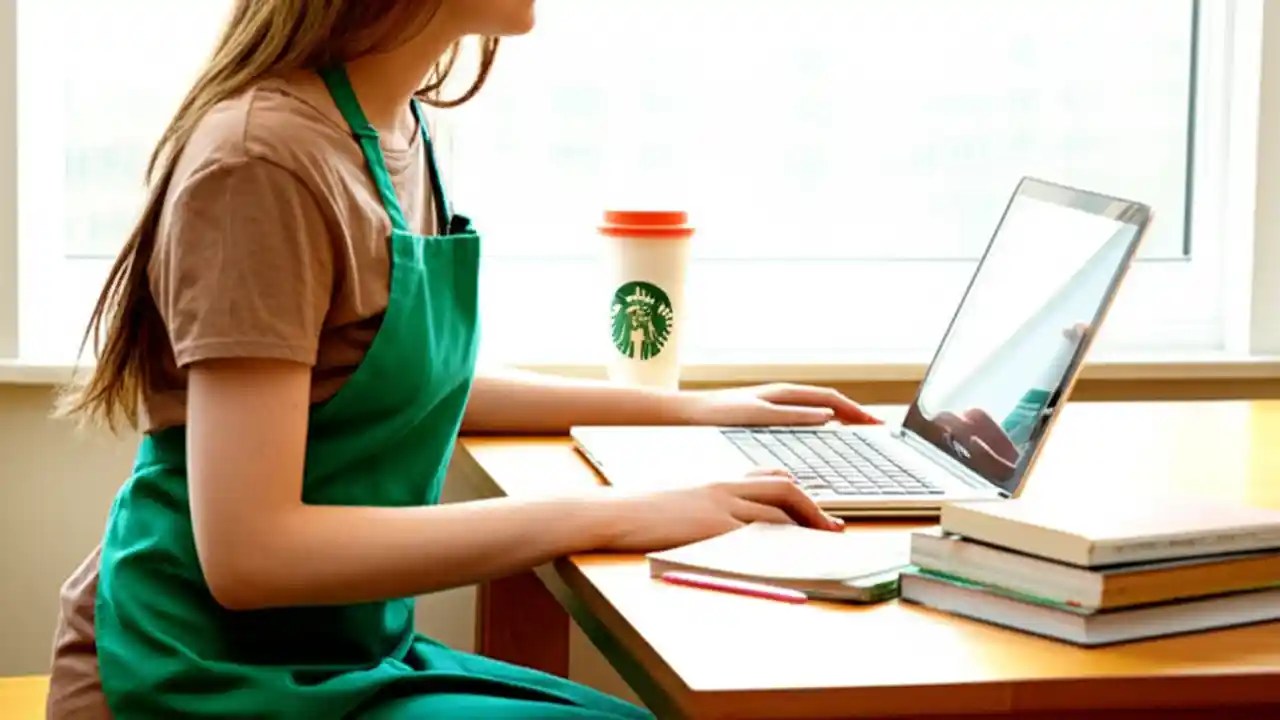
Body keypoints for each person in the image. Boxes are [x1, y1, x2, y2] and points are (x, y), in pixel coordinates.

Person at [45, 2, 880, 718]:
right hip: (198, 675)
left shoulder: (392, 123)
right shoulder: (261, 163)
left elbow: (396, 384)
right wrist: (619, 511)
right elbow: (252, 556)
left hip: (337, 655)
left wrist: (700, 410)